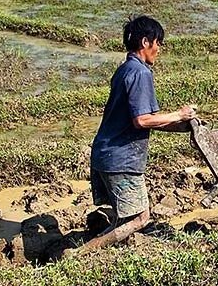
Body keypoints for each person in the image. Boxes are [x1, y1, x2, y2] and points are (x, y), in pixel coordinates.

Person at [80, 15, 197, 252]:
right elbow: (142, 120)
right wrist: (179, 115)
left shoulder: (124, 69)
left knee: (123, 218)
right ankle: (84, 252)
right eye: (158, 43)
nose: (159, 49)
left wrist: (185, 126)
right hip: (121, 159)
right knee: (140, 218)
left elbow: (148, 121)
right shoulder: (141, 73)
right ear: (146, 42)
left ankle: (99, 247)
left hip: (105, 155)